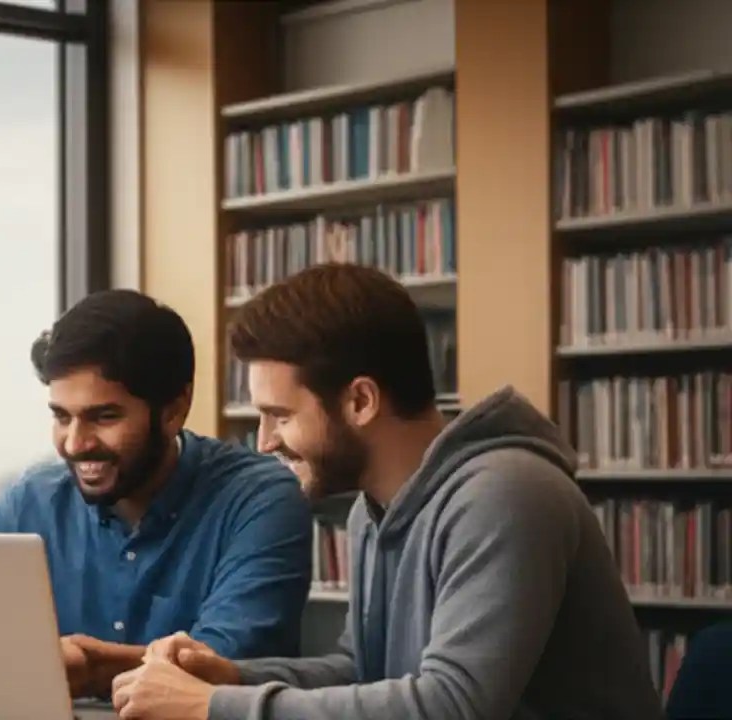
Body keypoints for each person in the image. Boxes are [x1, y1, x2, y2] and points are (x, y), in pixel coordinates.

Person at [109, 263, 664, 720]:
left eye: (280, 415)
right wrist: (233, 675)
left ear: (360, 402)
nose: (264, 442)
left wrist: (217, 708)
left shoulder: (506, 495)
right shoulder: (373, 510)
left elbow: (453, 706)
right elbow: (365, 670)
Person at [0, 289, 314, 699]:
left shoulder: (259, 498)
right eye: (62, 417)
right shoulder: (32, 500)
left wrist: (93, 668)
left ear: (173, 410)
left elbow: (224, 664)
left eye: (104, 416)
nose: (76, 443)